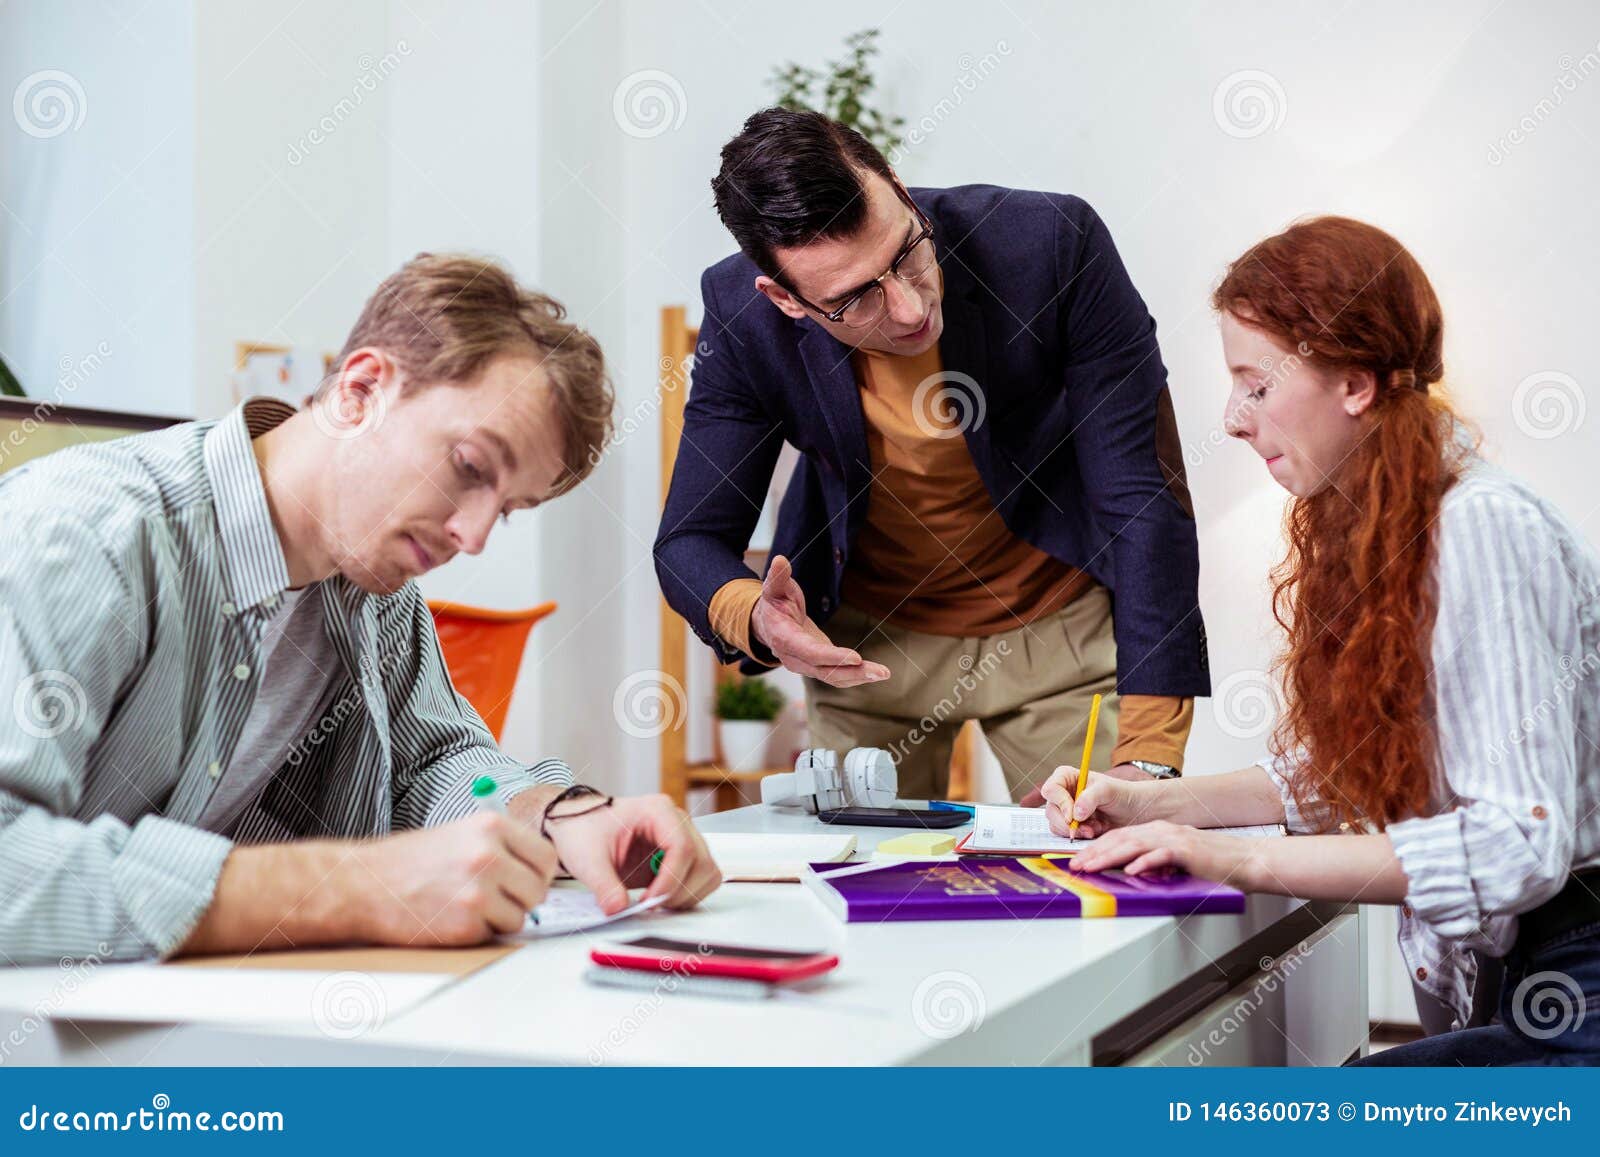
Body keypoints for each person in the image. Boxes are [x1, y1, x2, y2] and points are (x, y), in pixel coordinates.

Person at [0, 254, 720, 965]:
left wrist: (566, 816)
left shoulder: (378, 593)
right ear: (362, 389)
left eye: (506, 511)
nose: (470, 536)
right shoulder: (80, 532)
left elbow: (438, 763)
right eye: (469, 467)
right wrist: (357, 887)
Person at [1040, 216, 1600, 1065]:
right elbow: (1339, 774)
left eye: (1256, 385)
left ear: (1356, 385)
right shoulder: (1387, 526)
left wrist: (1232, 859)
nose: (1232, 418)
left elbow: (1516, 842)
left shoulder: (1482, 528)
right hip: (1529, 977)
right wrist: (1155, 803)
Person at [655, 108, 1209, 801]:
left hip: (1060, 635)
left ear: (898, 186)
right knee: (862, 890)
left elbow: (1142, 494)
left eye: (906, 252)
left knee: (1102, 876)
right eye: (854, 299)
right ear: (785, 299)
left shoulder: (1053, 246)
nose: (911, 308)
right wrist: (759, 616)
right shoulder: (744, 317)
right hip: (865, 653)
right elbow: (689, 539)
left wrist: (1149, 757)